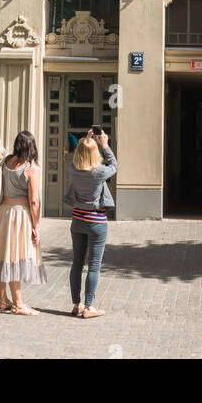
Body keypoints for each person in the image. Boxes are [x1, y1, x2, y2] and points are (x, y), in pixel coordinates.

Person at [0, 130, 47, 314]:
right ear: (32, 146)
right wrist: (36, 225)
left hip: (3, 213)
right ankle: (18, 303)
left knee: (0, 255)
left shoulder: (7, 161)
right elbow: (34, 201)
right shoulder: (32, 168)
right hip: (20, 215)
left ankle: (3, 300)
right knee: (15, 257)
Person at [66, 127, 117, 319]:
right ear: (95, 152)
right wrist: (103, 144)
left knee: (77, 263)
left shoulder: (72, 169)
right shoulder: (99, 172)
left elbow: (76, 158)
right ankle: (89, 307)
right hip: (96, 222)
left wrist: (85, 142)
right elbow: (114, 164)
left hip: (78, 220)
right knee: (94, 266)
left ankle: (76, 304)